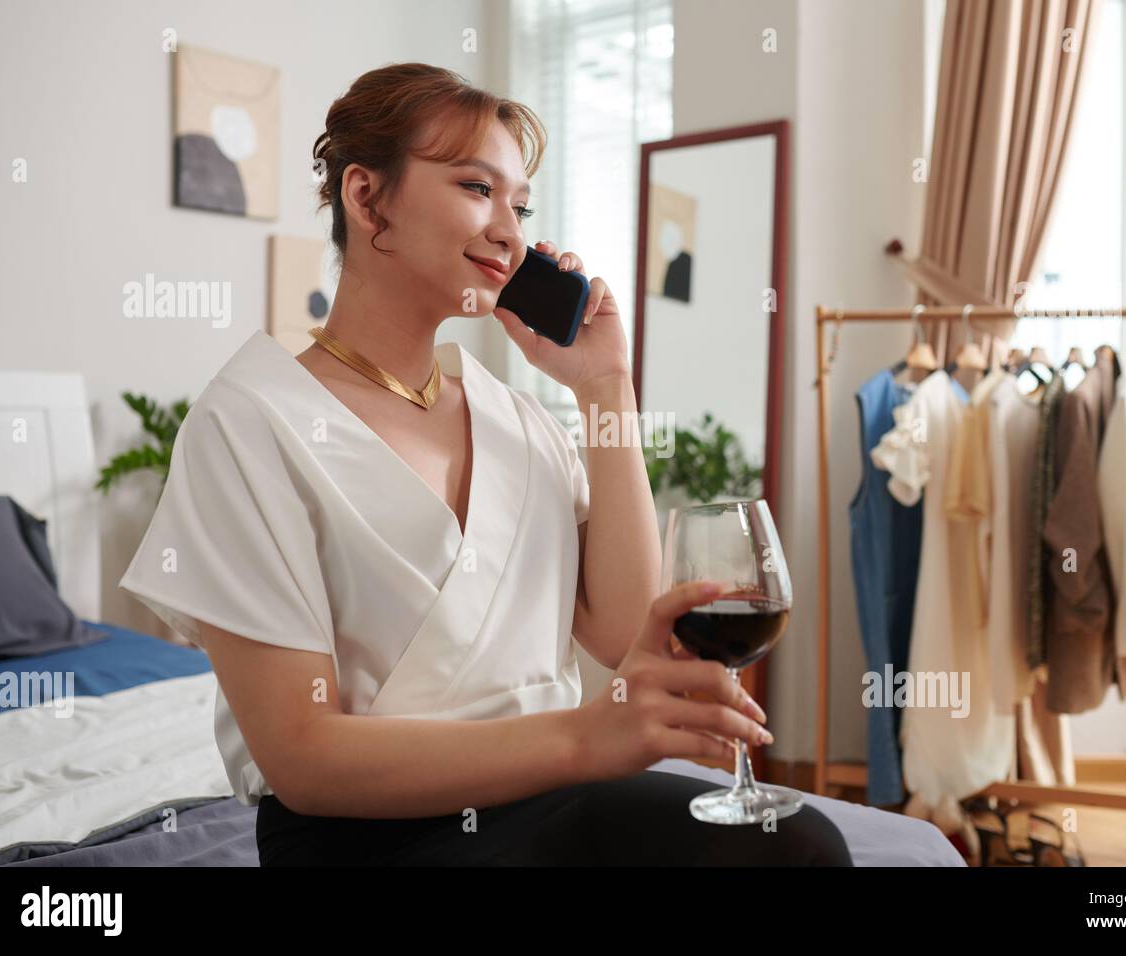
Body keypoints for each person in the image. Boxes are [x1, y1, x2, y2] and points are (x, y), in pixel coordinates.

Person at [120, 62, 852, 866]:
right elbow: (301, 758)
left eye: (521, 203)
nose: (512, 231)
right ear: (367, 199)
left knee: (799, 846)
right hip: (369, 835)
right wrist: (588, 736)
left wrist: (608, 390)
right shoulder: (249, 422)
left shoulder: (520, 419)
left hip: (553, 794)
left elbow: (620, 628)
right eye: (476, 188)